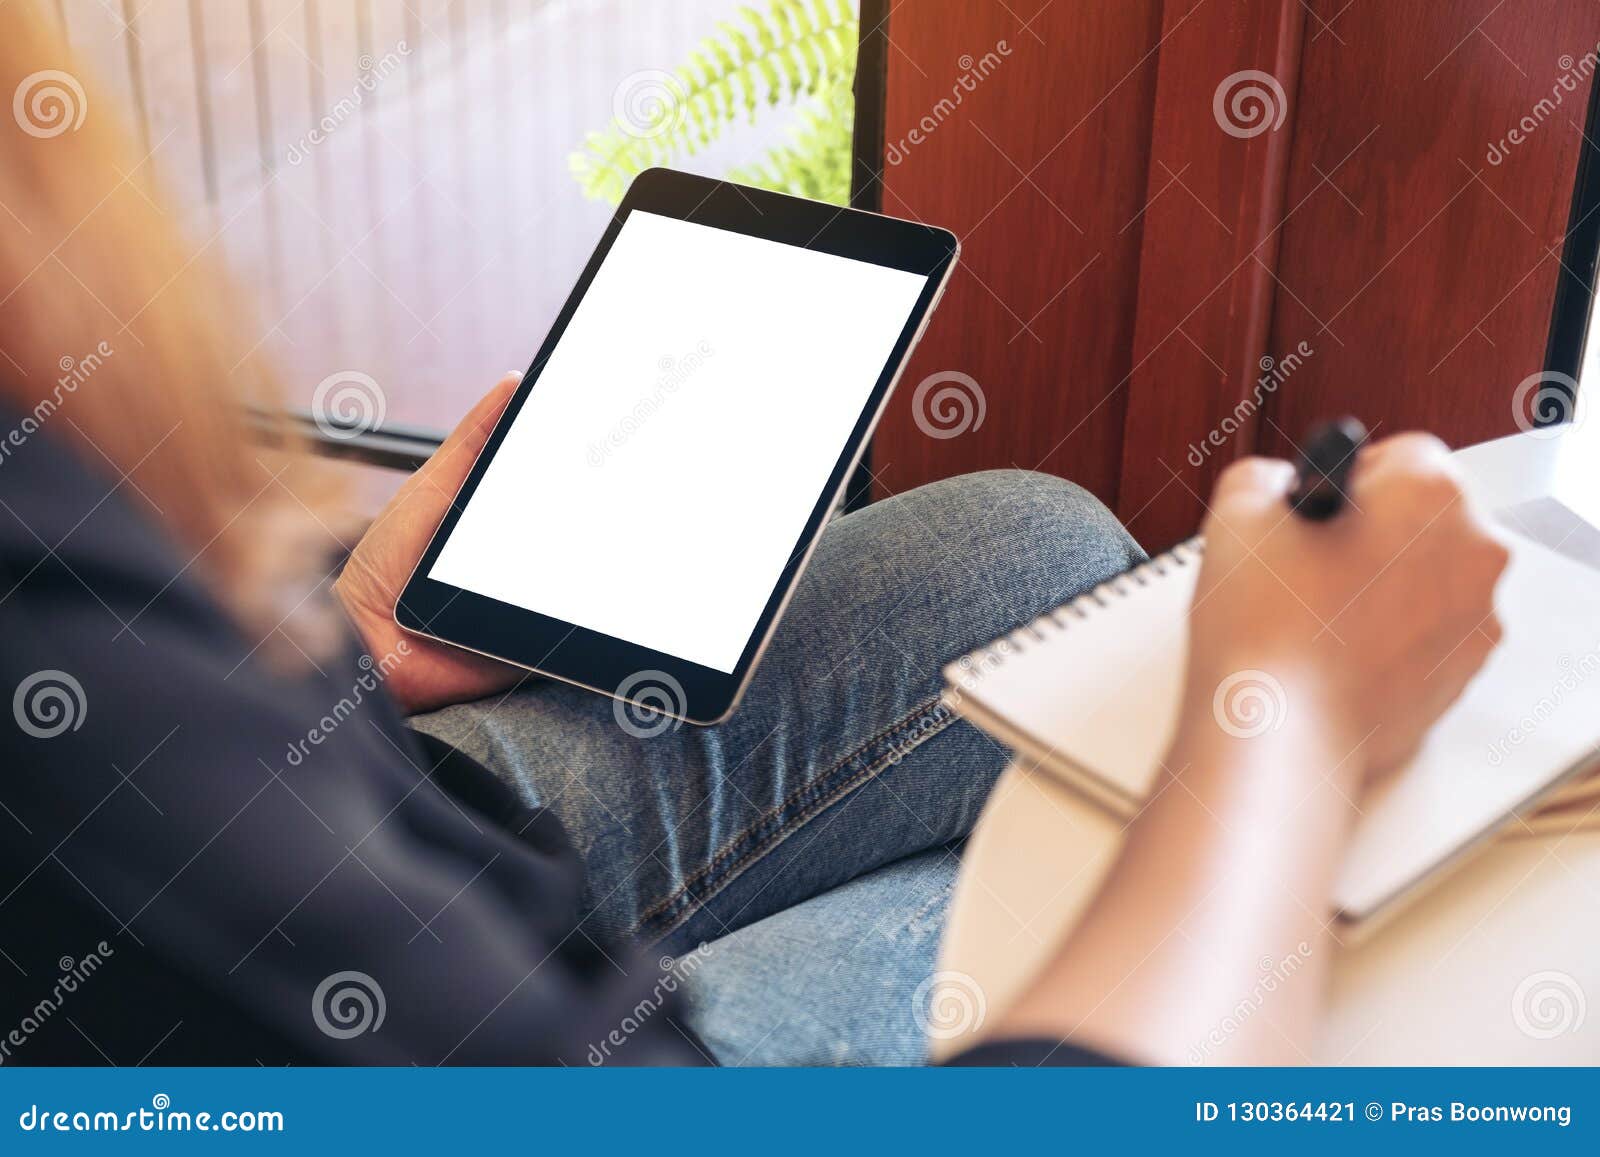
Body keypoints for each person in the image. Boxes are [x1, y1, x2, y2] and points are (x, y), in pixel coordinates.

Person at [0, 8, 1506, 1066]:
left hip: (294, 837)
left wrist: (342, 648)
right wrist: (1288, 726)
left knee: (1039, 552)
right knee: (1053, 888)